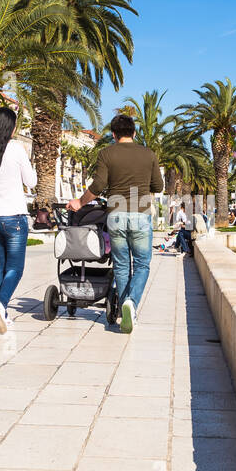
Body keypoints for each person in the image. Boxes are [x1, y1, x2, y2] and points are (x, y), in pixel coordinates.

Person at [67, 112, 163, 335]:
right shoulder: (148, 154)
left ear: (113, 134)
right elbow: (158, 186)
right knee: (142, 264)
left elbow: (99, 184)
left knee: (120, 265)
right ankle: (131, 303)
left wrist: (80, 203)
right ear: (134, 132)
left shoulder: (106, 153)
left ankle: (123, 306)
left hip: (116, 216)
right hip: (140, 216)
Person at [0, 107, 36, 334]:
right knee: (15, 268)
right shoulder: (16, 149)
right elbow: (30, 181)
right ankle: (1, 304)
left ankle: (2, 314)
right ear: (11, 128)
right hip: (13, 217)